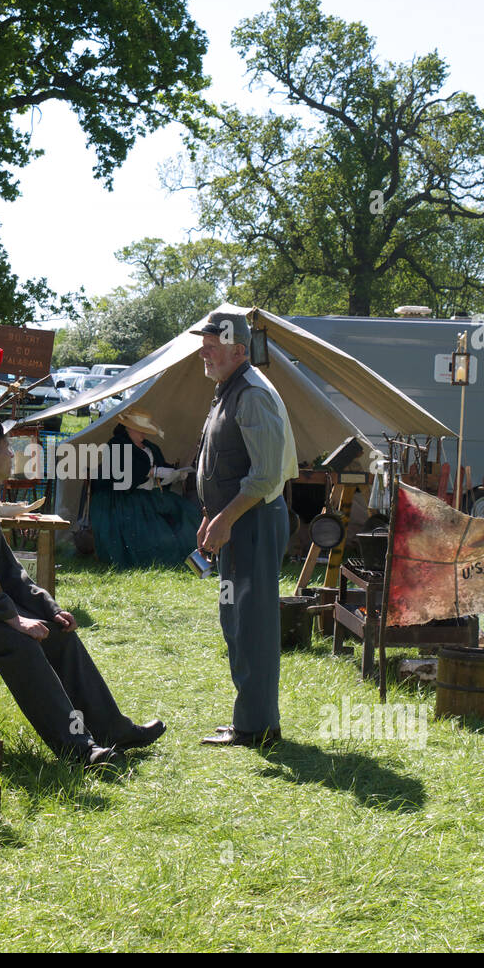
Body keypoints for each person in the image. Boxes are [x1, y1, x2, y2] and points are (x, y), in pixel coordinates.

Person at [0, 418, 165, 768]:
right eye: (7, 448)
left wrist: (47, 608)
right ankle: (79, 749)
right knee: (21, 642)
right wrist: (15, 619)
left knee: (57, 633)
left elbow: (9, 573)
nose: (13, 454)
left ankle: (111, 728)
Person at [194, 311, 298, 747]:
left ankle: (257, 727)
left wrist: (225, 517)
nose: (205, 351)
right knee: (235, 617)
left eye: (213, 345)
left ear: (239, 350)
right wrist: (211, 513)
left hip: (252, 522)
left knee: (251, 624)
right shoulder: (229, 388)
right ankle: (250, 719)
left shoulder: (252, 393)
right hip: (238, 521)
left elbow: (262, 476)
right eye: (204, 343)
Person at [88, 409, 200, 568]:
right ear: (128, 428)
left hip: (150, 495)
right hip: (125, 498)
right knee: (153, 533)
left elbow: (160, 466)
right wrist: (152, 472)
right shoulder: (116, 444)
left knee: (186, 513)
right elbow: (121, 472)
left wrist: (174, 474)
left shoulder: (151, 447)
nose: (143, 434)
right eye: (140, 430)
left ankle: (199, 555)